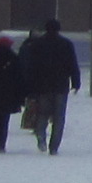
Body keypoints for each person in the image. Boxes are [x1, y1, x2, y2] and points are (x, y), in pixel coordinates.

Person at [20, 17, 81, 154]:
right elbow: (72, 64)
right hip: (60, 85)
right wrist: (76, 81)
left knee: (42, 114)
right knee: (59, 117)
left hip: (42, 86)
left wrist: (29, 85)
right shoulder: (66, 44)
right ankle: (54, 146)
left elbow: (31, 67)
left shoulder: (37, 45)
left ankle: (41, 136)